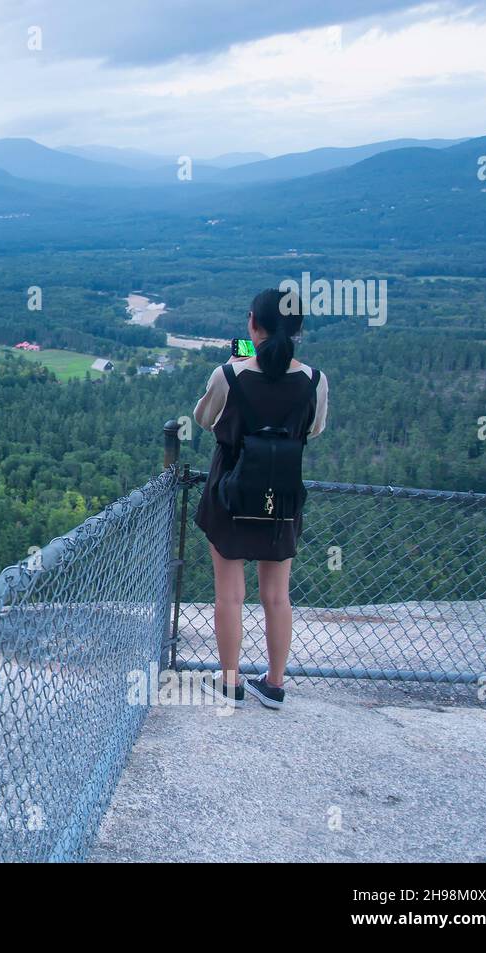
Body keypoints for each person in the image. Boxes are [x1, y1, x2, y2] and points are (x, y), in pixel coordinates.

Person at [193, 288, 329, 710]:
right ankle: (273, 684)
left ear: (253, 323)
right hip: (281, 495)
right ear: (298, 329)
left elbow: (203, 419)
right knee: (277, 595)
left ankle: (230, 682)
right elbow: (314, 430)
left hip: (230, 494)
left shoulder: (228, 376)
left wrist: (235, 370)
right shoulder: (315, 381)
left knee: (229, 594)